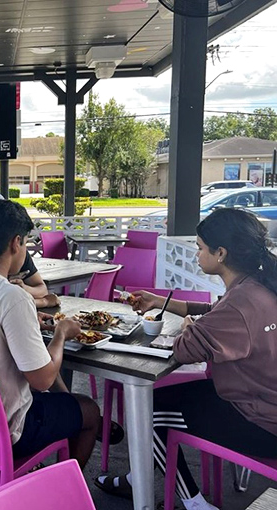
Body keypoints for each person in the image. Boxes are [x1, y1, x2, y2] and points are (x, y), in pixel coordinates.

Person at [96, 208, 277, 510]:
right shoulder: (258, 287)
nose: (196, 253)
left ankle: (194, 503)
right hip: (261, 403)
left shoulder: (242, 302)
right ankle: (135, 478)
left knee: (148, 417)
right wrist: (163, 303)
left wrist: (188, 326)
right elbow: (218, 315)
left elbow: (184, 349)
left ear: (220, 253)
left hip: (259, 423)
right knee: (157, 404)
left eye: (199, 247)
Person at [0, 200, 100, 468]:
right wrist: (61, 333)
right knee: (89, 411)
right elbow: (43, 380)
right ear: (16, 243)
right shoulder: (12, 296)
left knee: (64, 402)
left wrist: (24, 323)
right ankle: (66, 489)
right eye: (26, 244)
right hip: (4, 430)